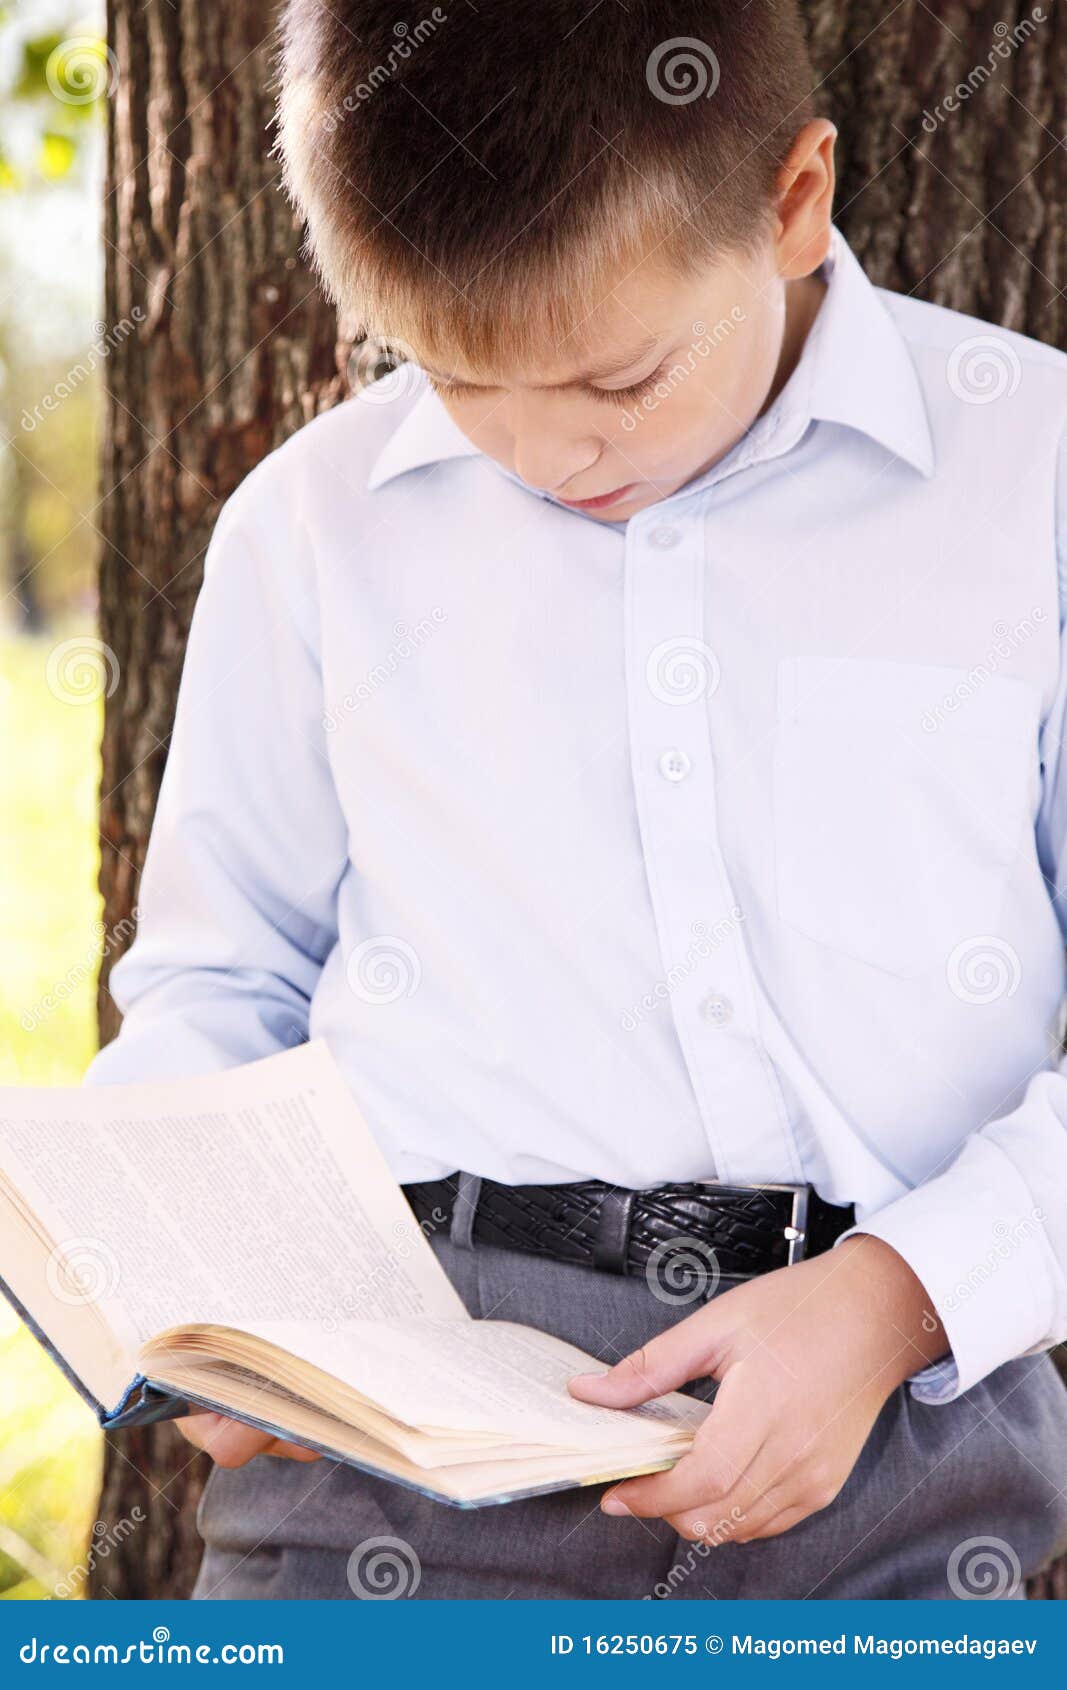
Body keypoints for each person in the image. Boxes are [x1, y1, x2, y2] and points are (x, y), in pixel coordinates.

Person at [85, 0, 1067, 1599]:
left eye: (616, 379)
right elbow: (219, 977)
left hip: (904, 1456)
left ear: (795, 199)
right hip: (388, 1476)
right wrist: (198, 1274)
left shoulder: (1034, 476)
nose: (545, 454)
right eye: (462, 381)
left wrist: (899, 1294)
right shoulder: (313, 528)